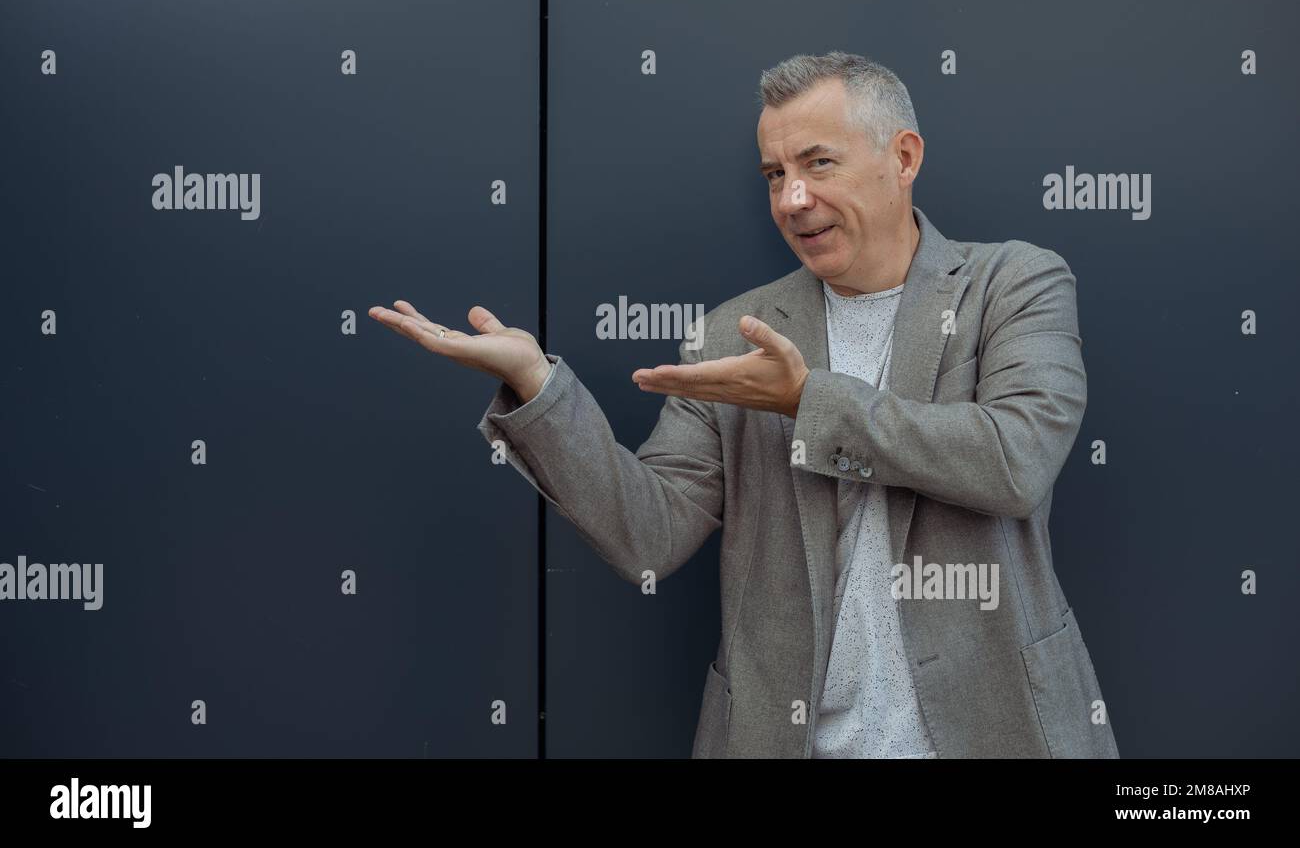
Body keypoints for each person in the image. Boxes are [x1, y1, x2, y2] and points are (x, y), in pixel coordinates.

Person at [369, 51, 1120, 759]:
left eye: (818, 163)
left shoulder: (1012, 284)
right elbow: (649, 537)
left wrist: (807, 401)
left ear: (903, 158)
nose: (793, 199)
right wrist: (539, 386)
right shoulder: (731, 332)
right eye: (774, 174)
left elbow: (1016, 460)